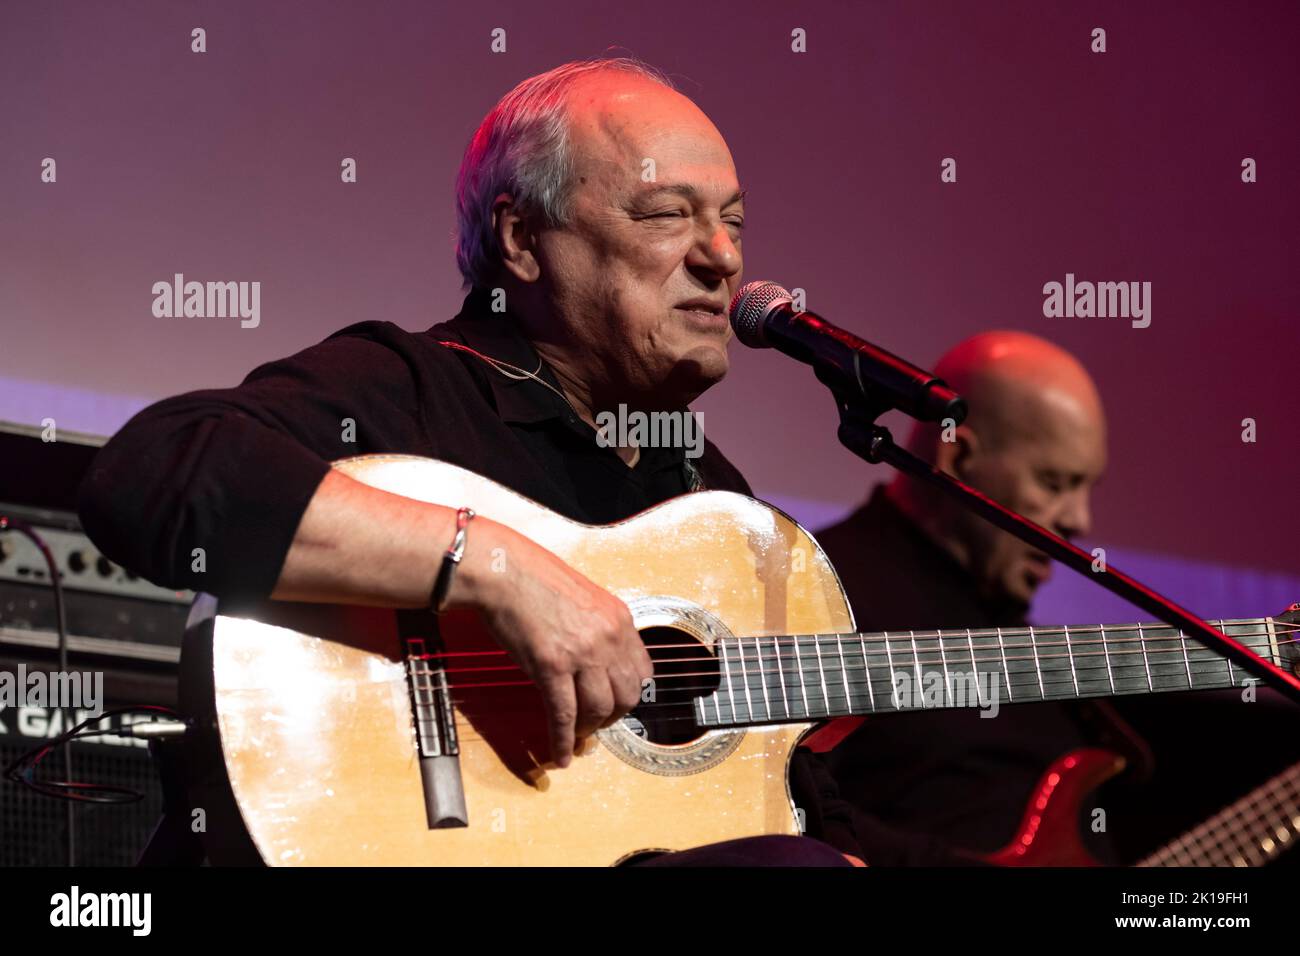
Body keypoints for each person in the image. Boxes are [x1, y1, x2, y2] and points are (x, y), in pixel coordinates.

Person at [79, 56, 874, 866]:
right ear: (523, 239)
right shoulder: (416, 391)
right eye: (667, 214)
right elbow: (153, 470)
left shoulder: (715, 500)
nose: (723, 258)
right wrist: (494, 568)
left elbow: (794, 791)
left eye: (732, 223)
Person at [814, 331, 1148, 863]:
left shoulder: (1017, 630)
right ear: (960, 456)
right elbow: (786, 810)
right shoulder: (822, 591)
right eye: (1054, 481)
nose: (1078, 519)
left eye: (1087, 488)